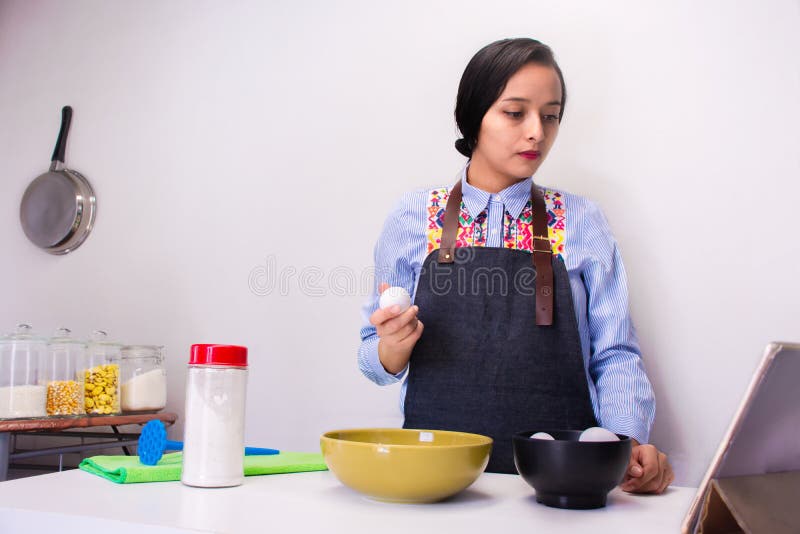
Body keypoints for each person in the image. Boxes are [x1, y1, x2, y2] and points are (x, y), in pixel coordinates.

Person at [357, 38, 674, 493]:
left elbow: (615, 354)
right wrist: (392, 347)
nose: (536, 133)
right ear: (474, 116)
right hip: (438, 480)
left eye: (550, 115)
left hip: (561, 483)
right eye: (515, 112)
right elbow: (372, 358)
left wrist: (627, 444)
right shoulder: (412, 217)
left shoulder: (582, 220)